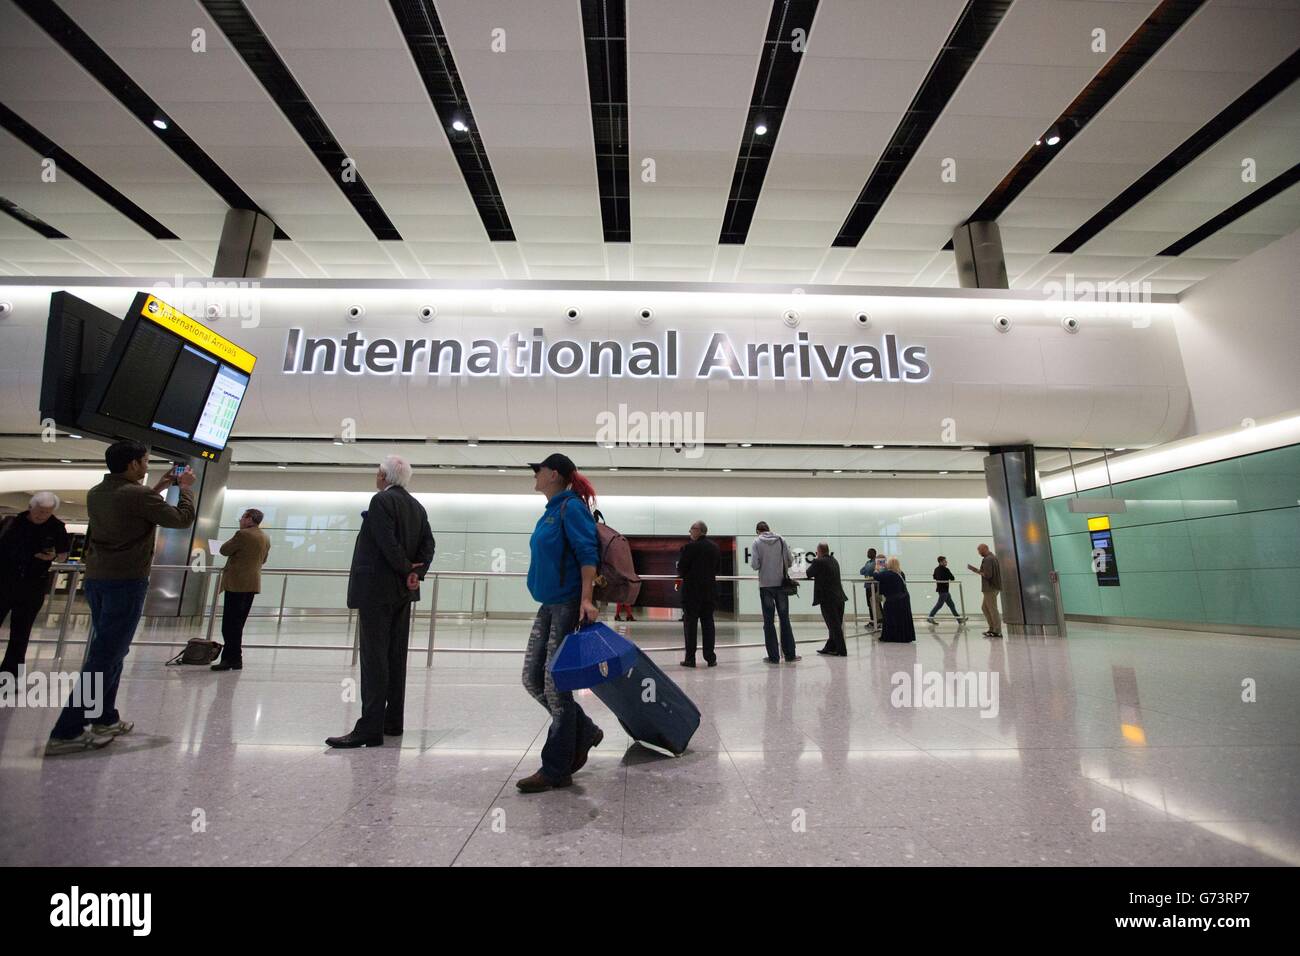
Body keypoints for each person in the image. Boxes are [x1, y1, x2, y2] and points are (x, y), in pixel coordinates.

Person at [46, 441, 196, 755]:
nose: (145, 465)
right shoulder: (137, 495)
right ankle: (67, 731)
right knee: (105, 657)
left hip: (99, 579)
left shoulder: (97, 492)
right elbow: (181, 519)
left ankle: (105, 718)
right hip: (126, 581)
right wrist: (185, 489)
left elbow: (134, 506)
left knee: (110, 649)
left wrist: (160, 484)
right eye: (143, 461)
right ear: (131, 465)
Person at [327, 456, 434, 748]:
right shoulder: (417, 507)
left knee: (374, 659)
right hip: (403, 593)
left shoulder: (380, 502)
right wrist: (416, 573)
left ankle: (369, 728)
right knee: (395, 657)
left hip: (377, 591)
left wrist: (405, 569)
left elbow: (386, 543)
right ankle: (392, 722)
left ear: (383, 476)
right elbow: (429, 545)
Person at [517, 453, 605, 793]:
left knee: (557, 687)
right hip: (549, 604)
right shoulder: (551, 512)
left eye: (538, 470)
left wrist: (586, 599)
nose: (534, 476)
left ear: (553, 474)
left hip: (568, 604)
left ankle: (555, 768)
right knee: (531, 678)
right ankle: (585, 730)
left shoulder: (572, 508)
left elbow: (588, 556)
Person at [0, 493, 72, 676]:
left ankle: (9, 675)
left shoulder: (56, 527)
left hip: (33, 585)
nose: (42, 515)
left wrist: (54, 556)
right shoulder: (13, 523)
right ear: (31, 507)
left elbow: (64, 553)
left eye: (47, 512)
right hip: (5, 581)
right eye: (39, 511)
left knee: (21, 633)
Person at [212, 508, 271, 671]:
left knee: (230, 624)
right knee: (238, 623)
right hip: (252, 583)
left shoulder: (243, 534)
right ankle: (232, 658)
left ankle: (233, 659)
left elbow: (224, 550)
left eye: (242, 517)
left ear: (249, 519)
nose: (240, 520)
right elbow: (264, 559)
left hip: (237, 583)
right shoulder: (264, 537)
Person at [751, 521, 798, 663]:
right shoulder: (781, 539)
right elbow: (790, 561)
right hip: (781, 585)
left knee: (769, 621)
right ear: (769, 529)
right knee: (784, 619)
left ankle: (773, 656)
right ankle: (789, 654)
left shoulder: (756, 542)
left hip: (766, 586)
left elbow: (755, 565)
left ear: (758, 531)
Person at [678, 519, 719, 667]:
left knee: (690, 625)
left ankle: (690, 658)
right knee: (708, 624)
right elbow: (717, 568)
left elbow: (681, 569)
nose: (690, 532)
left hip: (691, 593)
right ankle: (710, 657)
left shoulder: (689, 548)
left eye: (691, 529)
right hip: (709, 591)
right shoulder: (714, 548)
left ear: (699, 530)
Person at [806, 542, 848, 656]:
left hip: (828, 599)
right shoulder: (834, 560)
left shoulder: (818, 561)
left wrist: (816, 559)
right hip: (840, 597)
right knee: (835, 624)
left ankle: (841, 650)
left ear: (819, 551)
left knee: (833, 626)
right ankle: (830, 647)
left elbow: (808, 573)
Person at [868, 557, 916, 643]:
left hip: (893, 600)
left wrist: (876, 569)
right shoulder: (900, 573)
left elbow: (876, 576)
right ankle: (904, 637)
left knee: (890, 618)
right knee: (902, 619)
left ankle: (891, 636)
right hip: (904, 598)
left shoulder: (888, 573)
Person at [967, 543, 1003, 638]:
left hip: (990, 588)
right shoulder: (993, 557)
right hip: (993, 587)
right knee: (985, 608)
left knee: (992, 609)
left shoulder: (988, 559)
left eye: (980, 550)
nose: (979, 553)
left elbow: (987, 575)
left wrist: (974, 570)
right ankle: (992, 628)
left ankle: (997, 630)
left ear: (985, 549)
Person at [926, 555, 961, 626]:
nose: (946, 562)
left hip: (943, 590)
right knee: (939, 605)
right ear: (941, 562)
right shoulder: (946, 569)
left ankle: (959, 619)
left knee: (951, 605)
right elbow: (952, 578)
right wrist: (947, 577)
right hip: (944, 591)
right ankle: (930, 617)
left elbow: (934, 577)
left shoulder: (936, 569)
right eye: (945, 561)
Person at [858, 547, 880, 629]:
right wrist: (869, 572)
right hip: (867, 586)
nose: (867, 554)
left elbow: (871, 571)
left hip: (874, 586)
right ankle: (872, 621)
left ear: (874, 554)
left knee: (875, 604)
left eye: (869, 552)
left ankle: (879, 621)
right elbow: (861, 571)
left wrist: (869, 572)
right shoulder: (868, 562)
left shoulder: (877, 562)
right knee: (869, 604)